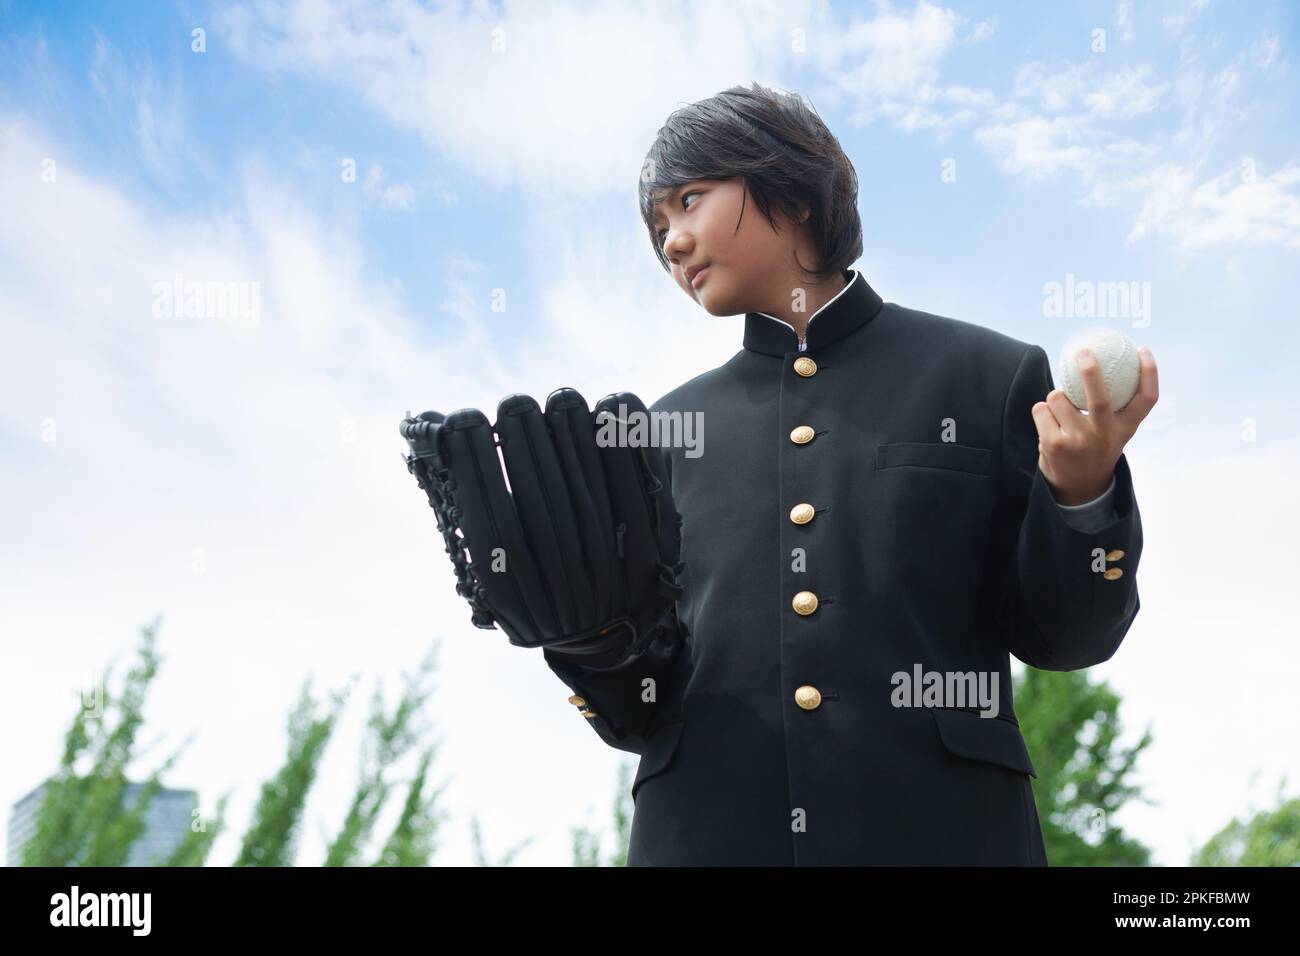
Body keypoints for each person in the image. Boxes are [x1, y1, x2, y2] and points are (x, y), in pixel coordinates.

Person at [540, 82, 1156, 866]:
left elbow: (1067, 639)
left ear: (793, 190)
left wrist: (1083, 490)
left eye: (690, 200)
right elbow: (639, 716)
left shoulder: (987, 375)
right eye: (659, 226)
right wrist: (587, 633)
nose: (672, 242)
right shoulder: (657, 435)